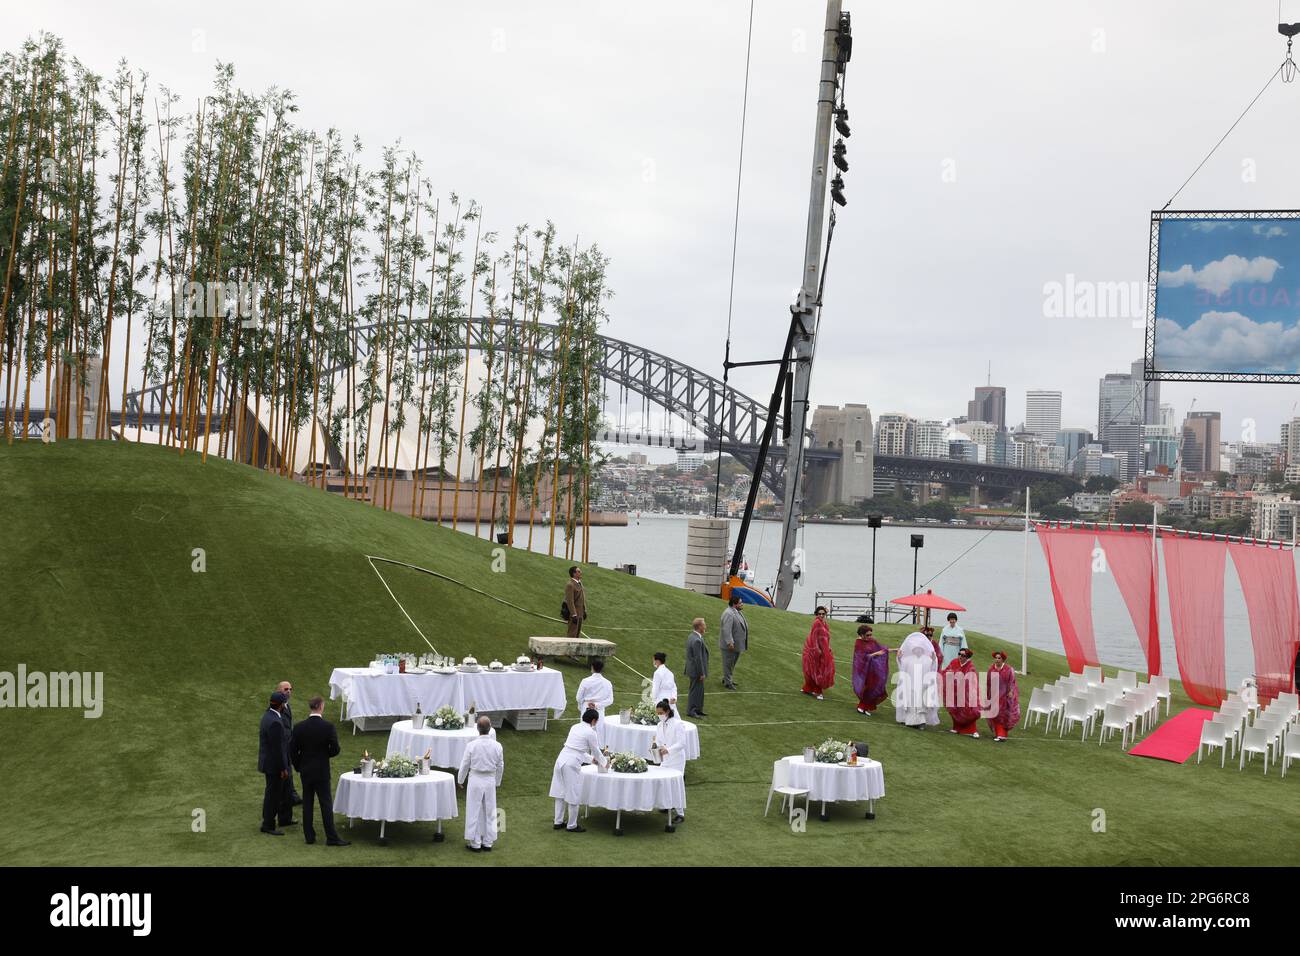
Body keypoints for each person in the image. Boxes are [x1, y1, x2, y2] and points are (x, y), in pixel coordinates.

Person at [288, 695, 349, 846]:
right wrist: (324, 755)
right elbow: (335, 749)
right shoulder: (328, 727)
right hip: (321, 771)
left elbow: (292, 751)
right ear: (321, 707)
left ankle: (309, 836)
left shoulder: (299, 727)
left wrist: (299, 766)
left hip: (306, 771)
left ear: (311, 707)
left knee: (307, 803)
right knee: (325, 803)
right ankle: (331, 837)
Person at [549, 708, 607, 832]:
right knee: (573, 793)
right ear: (593, 720)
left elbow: (576, 748)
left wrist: (592, 760)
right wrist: (605, 763)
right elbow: (596, 751)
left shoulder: (575, 726)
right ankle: (572, 825)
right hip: (571, 763)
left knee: (560, 792)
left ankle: (558, 822)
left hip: (561, 758)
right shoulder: (591, 732)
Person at [458, 715, 505, 852]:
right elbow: (500, 765)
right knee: (490, 810)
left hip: (475, 780)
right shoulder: (497, 746)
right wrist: (497, 781)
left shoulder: (471, 745)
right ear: (490, 728)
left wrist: (460, 780)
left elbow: (465, 764)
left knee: (474, 810)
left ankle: (475, 843)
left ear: (478, 729)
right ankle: (488, 842)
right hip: (490, 780)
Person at [258, 691, 295, 835]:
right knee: (273, 795)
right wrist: (283, 768)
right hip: (274, 767)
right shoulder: (275, 722)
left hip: (270, 764)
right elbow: (277, 749)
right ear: (281, 706)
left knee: (277, 793)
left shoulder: (268, 716)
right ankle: (268, 824)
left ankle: (281, 819)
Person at [894, 630, 940, 729]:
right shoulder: (908, 659)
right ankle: (910, 721)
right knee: (911, 703)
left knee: (921, 704)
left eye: (919, 649)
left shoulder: (926, 659)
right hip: (910, 685)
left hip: (922, 685)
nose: (917, 651)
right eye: (915, 649)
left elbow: (933, 668)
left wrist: (933, 660)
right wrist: (899, 658)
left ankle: (921, 722)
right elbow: (902, 666)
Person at [654, 699, 687, 829]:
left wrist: (668, 750)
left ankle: (680, 813)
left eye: (661, 712)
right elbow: (658, 740)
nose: (659, 715)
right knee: (662, 781)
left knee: (676, 784)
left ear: (667, 711)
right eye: (657, 713)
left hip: (677, 759)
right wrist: (656, 748)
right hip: (665, 759)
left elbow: (682, 743)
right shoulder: (659, 725)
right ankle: (667, 805)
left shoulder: (678, 724)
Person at [941, 647, 982, 738]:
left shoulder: (970, 667)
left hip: (966, 693)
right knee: (954, 708)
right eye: (959, 654)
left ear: (967, 657)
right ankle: (956, 727)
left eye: (963, 655)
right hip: (954, 691)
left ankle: (973, 730)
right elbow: (946, 671)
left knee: (969, 710)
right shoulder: (954, 662)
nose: (960, 656)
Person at [851, 622, 889, 715]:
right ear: (862, 635)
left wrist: (894, 650)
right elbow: (861, 658)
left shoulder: (872, 641)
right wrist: (875, 654)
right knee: (867, 688)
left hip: (873, 669)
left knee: (873, 688)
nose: (869, 636)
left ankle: (866, 707)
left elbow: (881, 649)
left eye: (871, 634)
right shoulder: (858, 643)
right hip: (864, 671)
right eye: (867, 635)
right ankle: (861, 706)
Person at [574, 658, 614, 743]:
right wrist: (597, 705)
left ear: (592, 667)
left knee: (584, 733)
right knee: (598, 735)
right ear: (601, 669)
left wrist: (582, 706)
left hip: (586, 709)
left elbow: (578, 697)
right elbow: (610, 700)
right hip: (599, 711)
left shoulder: (585, 681)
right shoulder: (607, 683)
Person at [276, 680, 303, 807]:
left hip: (288, 744)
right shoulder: (278, 708)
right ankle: (288, 797)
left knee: (289, 771)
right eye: (286, 689)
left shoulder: (286, 705)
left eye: (290, 689)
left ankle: (292, 795)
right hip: (283, 746)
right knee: (286, 772)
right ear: (278, 691)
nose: (289, 692)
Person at [986, 650, 1022, 742]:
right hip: (994, 695)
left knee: (1003, 715)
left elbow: (1012, 681)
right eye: (996, 658)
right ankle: (1000, 734)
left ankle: (1002, 734)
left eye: (999, 658)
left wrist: (1010, 691)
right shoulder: (991, 669)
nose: (997, 660)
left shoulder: (1008, 669)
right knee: (996, 714)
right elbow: (988, 683)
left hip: (1005, 696)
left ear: (1003, 659)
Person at [801, 606, 835, 700]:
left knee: (818, 670)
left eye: (823, 614)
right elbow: (814, 637)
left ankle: (808, 688)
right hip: (817, 651)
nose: (821, 615)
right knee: (818, 671)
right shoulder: (816, 623)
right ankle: (817, 691)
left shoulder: (825, 624)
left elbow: (826, 637)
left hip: (824, 649)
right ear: (816, 614)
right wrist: (817, 650)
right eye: (819, 614)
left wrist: (828, 647)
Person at [720, 592, 748, 690]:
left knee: (731, 664)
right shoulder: (729, 613)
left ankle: (727, 679)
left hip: (736, 645)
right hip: (730, 645)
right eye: (740, 603)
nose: (742, 604)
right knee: (728, 664)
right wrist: (730, 642)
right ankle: (728, 683)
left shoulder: (736, 612)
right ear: (734, 604)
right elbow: (726, 629)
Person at [685, 618, 709, 718]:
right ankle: (691, 710)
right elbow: (697, 659)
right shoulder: (696, 640)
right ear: (699, 627)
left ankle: (698, 709)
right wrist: (701, 673)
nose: (705, 626)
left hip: (693, 669)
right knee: (695, 690)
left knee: (699, 690)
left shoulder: (693, 636)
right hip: (696, 671)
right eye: (704, 625)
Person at [563, 566, 587, 639]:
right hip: (574, 615)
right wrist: (573, 615)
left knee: (577, 635)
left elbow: (582, 598)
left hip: (580, 613)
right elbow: (570, 601)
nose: (581, 573)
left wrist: (584, 610)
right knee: (572, 635)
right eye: (578, 571)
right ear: (574, 574)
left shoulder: (580, 583)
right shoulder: (570, 585)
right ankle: (569, 650)